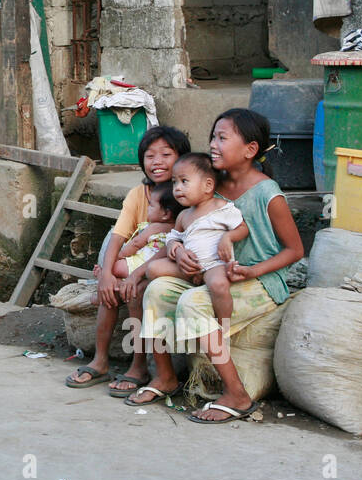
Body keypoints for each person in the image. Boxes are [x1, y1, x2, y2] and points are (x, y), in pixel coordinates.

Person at [126, 108, 304, 424]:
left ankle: (237, 394)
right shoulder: (211, 186)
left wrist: (254, 271)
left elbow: (295, 250)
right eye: (213, 136)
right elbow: (183, 228)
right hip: (213, 273)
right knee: (156, 290)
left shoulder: (267, 194)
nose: (213, 144)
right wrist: (176, 249)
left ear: (250, 150)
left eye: (222, 138)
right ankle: (165, 376)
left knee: (193, 303)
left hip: (258, 280)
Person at [65, 125, 190, 395]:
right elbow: (118, 235)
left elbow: (171, 244)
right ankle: (100, 361)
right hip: (137, 260)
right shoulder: (138, 194)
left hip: (166, 265)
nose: (157, 162)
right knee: (110, 290)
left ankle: (138, 366)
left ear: (182, 158)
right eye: (150, 156)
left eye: (166, 154)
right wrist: (107, 275)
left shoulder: (185, 194)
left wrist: (135, 274)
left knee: (136, 292)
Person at [140, 153, 249, 293]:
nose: (177, 187)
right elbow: (173, 237)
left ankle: (223, 316)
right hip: (188, 268)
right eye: (174, 182)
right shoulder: (184, 215)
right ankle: (195, 277)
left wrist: (228, 237)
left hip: (213, 266)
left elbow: (243, 227)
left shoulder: (220, 207)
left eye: (184, 181)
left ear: (207, 185)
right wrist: (176, 248)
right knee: (152, 268)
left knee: (218, 284)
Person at [108, 181, 181, 283]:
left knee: (114, 267)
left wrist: (119, 256)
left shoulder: (155, 227)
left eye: (151, 205)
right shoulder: (176, 227)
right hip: (157, 267)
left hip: (141, 262)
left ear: (166, 214)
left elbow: (136, 243)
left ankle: (106, 275)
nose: (147, 208)